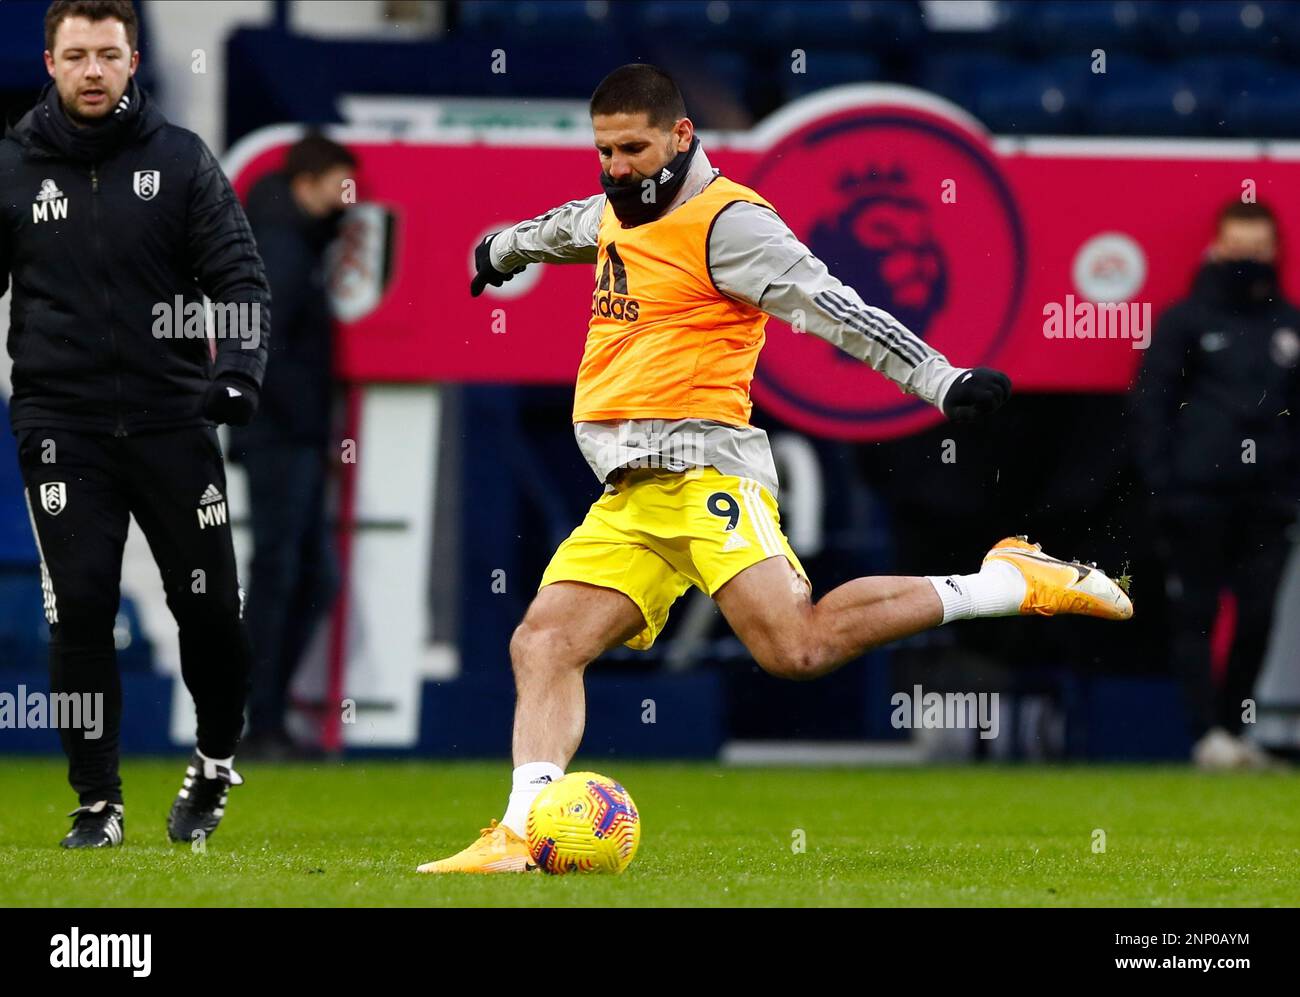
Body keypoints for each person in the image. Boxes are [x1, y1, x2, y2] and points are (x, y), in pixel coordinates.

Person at [420, 64, 1132, 874]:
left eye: (632, 147)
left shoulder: (733, 225)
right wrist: (502, 246)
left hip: (708, 476)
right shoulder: (622, 208)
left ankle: (1009, 580)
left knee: (796, 646)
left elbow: (837, 309)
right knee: (543, 642)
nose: (615, 164)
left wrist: (939, 378)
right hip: (630, 496)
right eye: (604, 149)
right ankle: (521, 834)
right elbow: (569, 226)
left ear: (680, 136)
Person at [0, 1, 270, 847]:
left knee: (212, 617)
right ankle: (97, 802)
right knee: (80, 606)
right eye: (74, 55)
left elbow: (242, 282)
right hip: (60, 423)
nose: (91, 71)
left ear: (133, 60)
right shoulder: (11, 165)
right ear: (49, 62)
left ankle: (216, 758)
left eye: (106, 55)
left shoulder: (181, 161)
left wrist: (236, 374)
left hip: (171, 420)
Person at [1132, 200, 1300, 770]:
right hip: (1197, 496)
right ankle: (1206, 736)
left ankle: (1235, 729)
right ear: (1218, 247)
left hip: (1269, 500)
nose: (1248, 259)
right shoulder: (1186, 321)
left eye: (1258, 249)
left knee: (1258, 617)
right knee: (1194, 616)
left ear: (1274, 251)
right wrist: (1164, 486)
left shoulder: (1289, 326)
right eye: (1238, 247)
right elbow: (1152, 404)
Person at [232, 133, 353, 759]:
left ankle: (267, 719)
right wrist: (296, 429)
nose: (347, 198)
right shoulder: (279, 243)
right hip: (281, 437)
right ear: (309, 181)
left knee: (304, 575)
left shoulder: (289, 236)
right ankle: (259, 722)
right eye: (340, 183)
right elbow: (267, 347)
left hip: (290, 435)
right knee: (280, 575)